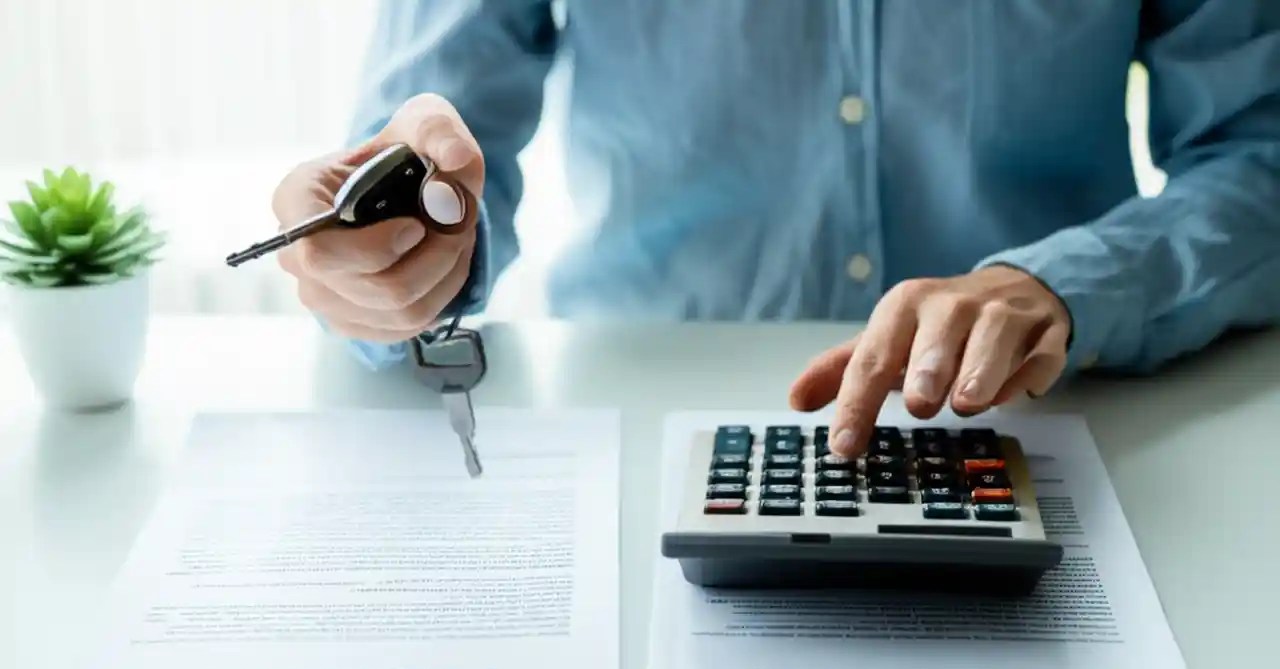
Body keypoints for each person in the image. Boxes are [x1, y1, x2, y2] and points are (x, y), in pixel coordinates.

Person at [270, 1, 1280, 459]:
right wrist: (386, 266)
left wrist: (1067, 283)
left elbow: (1258, 153)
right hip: (633, 427)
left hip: (1056, 426)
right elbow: (414, 149)